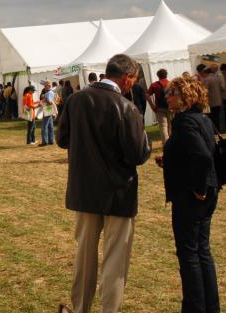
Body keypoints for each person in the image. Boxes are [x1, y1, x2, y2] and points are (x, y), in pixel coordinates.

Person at [56, 54, 152, 313]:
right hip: (118, 192)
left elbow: (62, 139)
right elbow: (137, 154)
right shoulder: (126, 107)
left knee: (84, 255)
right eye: (133, 80)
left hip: (85, 189)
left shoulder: (76, 100)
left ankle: (80, 309)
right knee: (115, 260)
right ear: (127, 77)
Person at [158, 75, 221, 313]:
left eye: (171, 93)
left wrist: (198, 188)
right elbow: (197, 153)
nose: (167, 98)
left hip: (192, 196)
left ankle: (195, 307)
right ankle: (210, 307)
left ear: (185, 97)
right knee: (202, 250)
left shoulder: (185, 122)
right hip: (207, 192)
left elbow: (203, 156)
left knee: (189, 254)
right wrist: (170, 160)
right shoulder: (202, 119)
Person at [147, 69, 171, 147]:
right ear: (166, 75)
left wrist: (152, 106)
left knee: (163, 126)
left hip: (160, 108)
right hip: (171, 107)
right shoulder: (171, 84)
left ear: (158, 76)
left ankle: (166, 145)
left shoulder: (154, 85)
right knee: (171, 126)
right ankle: (172, 143)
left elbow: (147, 95)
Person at [39, 80, 57, 146]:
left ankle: (45, 141)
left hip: (47, 110)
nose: (44, 87)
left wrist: (44, 98)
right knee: (50, 126)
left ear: (48, 86)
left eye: (45, 86)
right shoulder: (51, 92)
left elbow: (49, 102)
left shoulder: (48, 93)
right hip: (50, 110)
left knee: (44, 126)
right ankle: (51, 140)